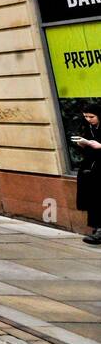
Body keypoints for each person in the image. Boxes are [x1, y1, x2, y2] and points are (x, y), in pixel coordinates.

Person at [71, 102, 101, 245]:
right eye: (86, 116)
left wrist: (100, 146)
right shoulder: (88, 128)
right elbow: (86, 152)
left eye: (92, 116)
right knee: (92, 199)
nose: (89, 119)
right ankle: (97, 229)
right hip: (91, 169)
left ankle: (99, 231)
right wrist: (84, 144)